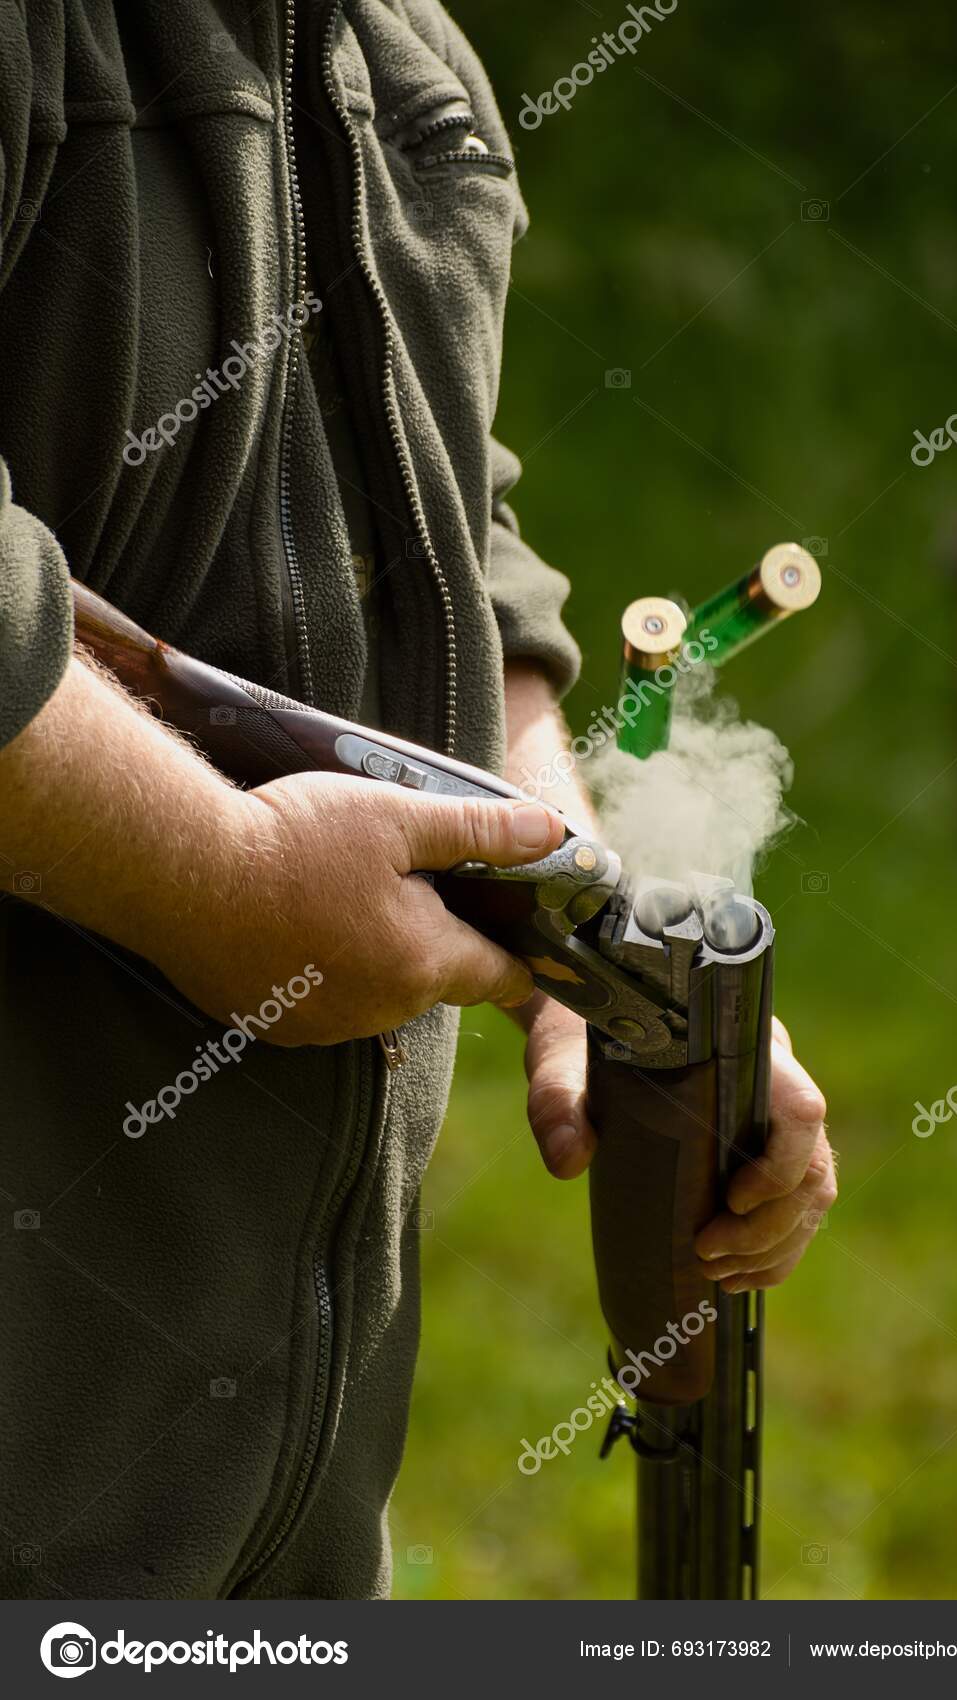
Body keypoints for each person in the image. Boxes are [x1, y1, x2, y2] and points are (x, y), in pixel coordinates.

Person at [0, 1, 833, 1601]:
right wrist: (214, 874)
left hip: (279, 1526)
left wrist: (603, 943)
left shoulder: (399, 57)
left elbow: (453, 524)